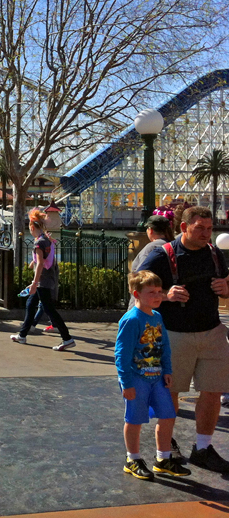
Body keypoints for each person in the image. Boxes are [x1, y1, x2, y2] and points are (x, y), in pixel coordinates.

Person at [137, 205, 229, 472]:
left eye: (210, 229)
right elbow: (138, 286)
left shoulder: (214, 254)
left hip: (212, 332)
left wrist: (226, 288)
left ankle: (202, 448)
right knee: (170, 393)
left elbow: (226, 282)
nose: (206, 234)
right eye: (200, 228)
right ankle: (163, 453)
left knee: (212, 391)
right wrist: (165, 295)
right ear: (184, 228)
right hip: (174, 335)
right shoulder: (163, 255)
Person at [116, 270, 189, 480]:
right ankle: (133, 459)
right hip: (136, 378)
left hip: (157, 377)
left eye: (159, 291)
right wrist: (126, 383)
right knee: (135, 419)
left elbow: (164, 346)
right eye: (151, 292)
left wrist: (167, 370)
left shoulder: (157, 317)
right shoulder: (131, 320)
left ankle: (163, 459)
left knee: (168, 414)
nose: (157, 296)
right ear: (136, 294)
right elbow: (121, 354)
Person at [10, 212, 75, 349]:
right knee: (30, 304)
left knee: (49, 309)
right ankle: (22, 335)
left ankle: (67, 338)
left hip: (42, 281)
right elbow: (46, 260)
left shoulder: (39, 242)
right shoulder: (47, 239)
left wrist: (34, 283)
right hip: (46, 279)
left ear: (32, 227)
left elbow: (40, 263)